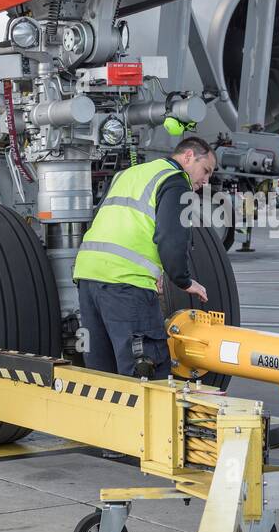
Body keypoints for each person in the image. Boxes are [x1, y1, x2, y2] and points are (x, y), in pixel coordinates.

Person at [72, 136, 215, 377]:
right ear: (188, 157)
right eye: (206, 170)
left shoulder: (129, 174)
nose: (206, 180)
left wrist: (155, 270)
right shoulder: (175, 180)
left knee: (101, 373)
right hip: (126, 285)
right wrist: (184, 281)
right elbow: (171, 238)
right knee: (145, 372)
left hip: (88, 278)